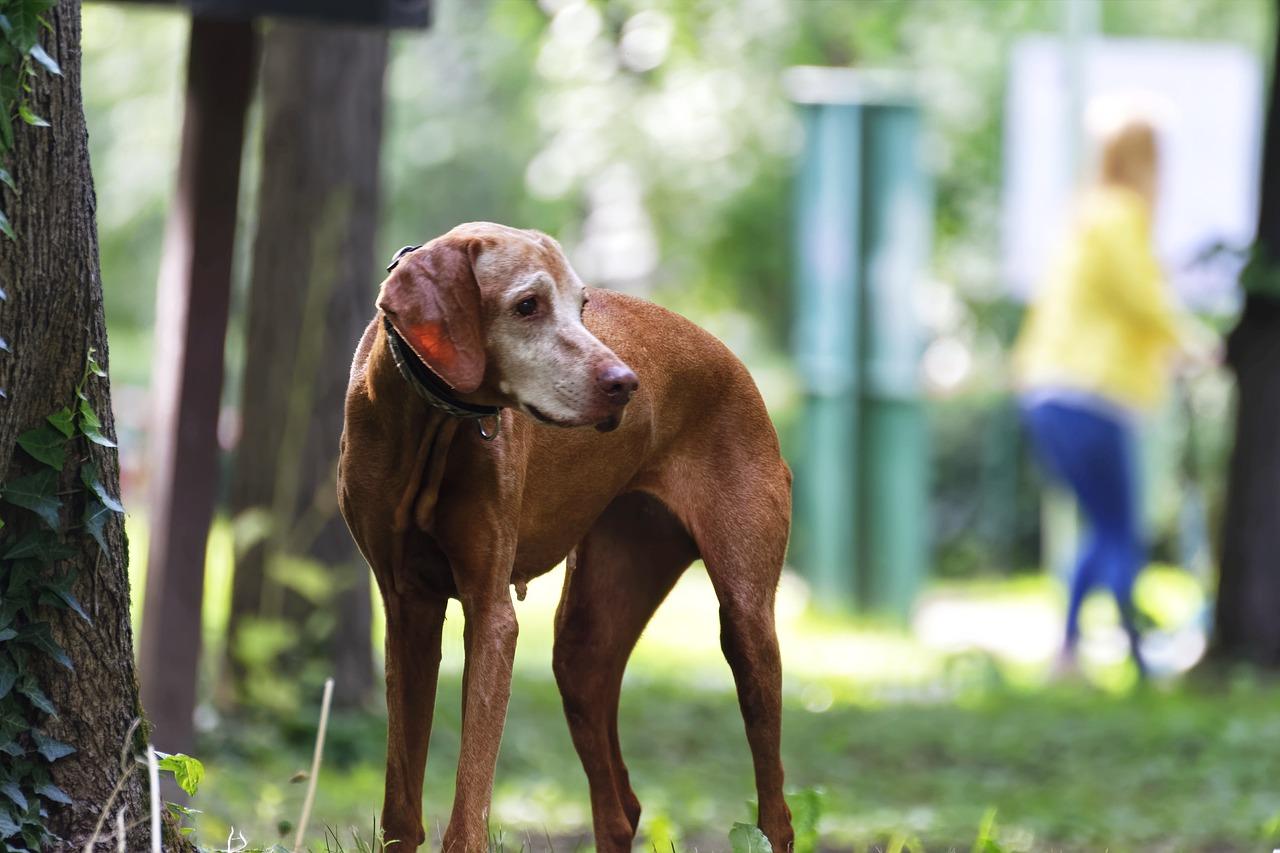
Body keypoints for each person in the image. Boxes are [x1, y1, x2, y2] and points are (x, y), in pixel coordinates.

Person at [1013, 106, 1215, 677]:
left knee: (1104, 528)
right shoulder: (1121, 214)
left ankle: (1070, 652)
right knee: (1121, 531)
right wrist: (1197, 344)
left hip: (1050, 391)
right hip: (1092, 393)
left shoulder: (1086, 214)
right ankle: (1135, 658)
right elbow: (1141, 299)